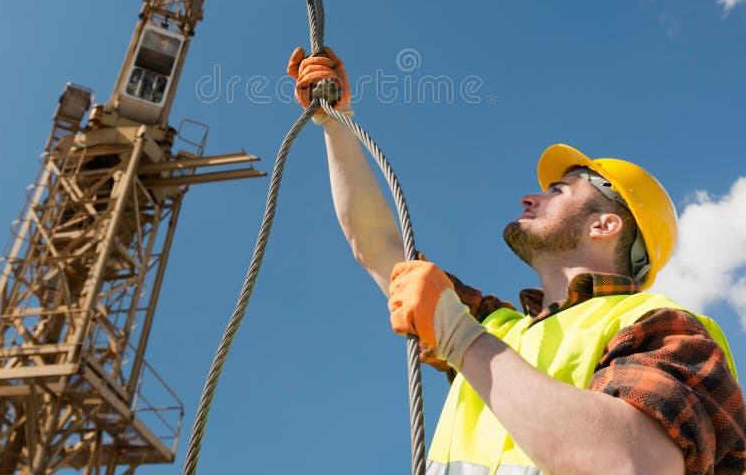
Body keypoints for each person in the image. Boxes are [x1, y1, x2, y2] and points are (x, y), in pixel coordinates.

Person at [287, 47, 746, 475]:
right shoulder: (499, 328)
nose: (529, 197)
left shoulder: (665, 325)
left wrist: (460, 338)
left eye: (557, 191)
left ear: (605, 226)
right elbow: (376, 242)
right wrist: (337, 121)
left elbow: (631, 462)